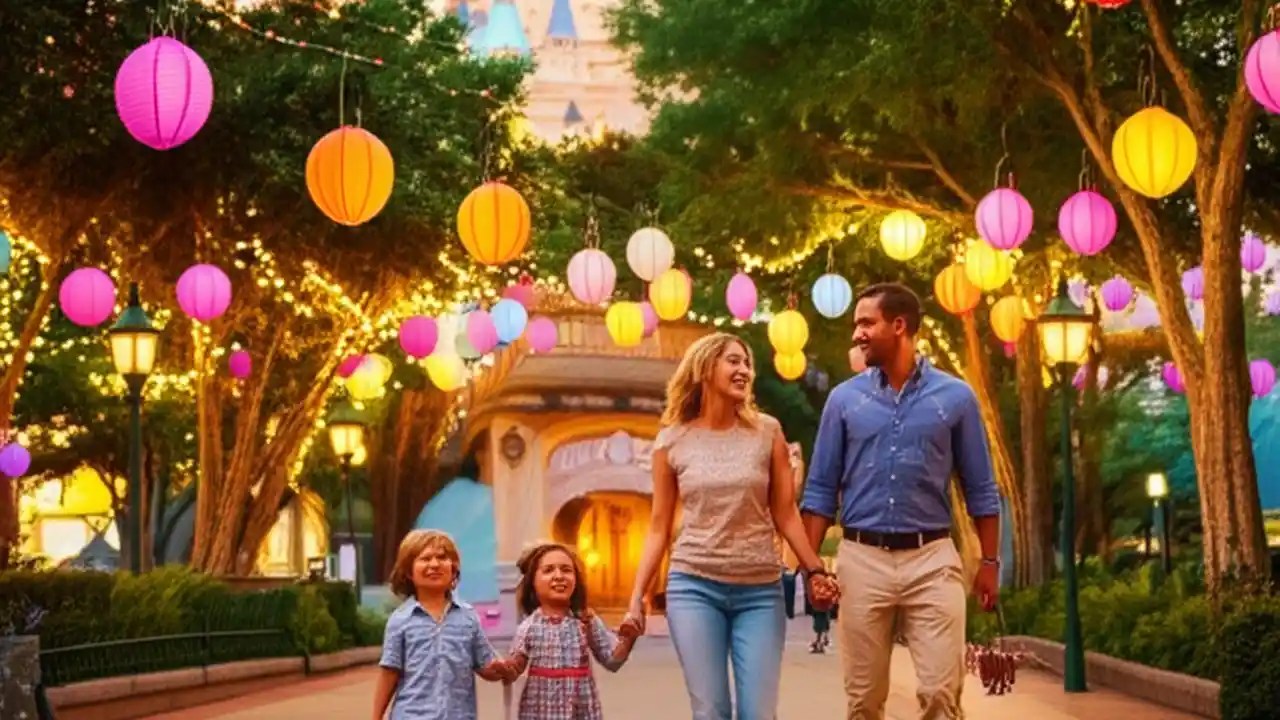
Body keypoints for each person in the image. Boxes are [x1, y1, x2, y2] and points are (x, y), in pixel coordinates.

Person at [800, 283, 1001, 720]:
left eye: (866, 323)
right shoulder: (844, 401)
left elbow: (981, 488)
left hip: (932, 559)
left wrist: (989, 562)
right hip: (861, 559)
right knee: (864, 702)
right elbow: (819, 490)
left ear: (900, 325)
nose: (857, 334)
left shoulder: (956, 399)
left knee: (939, 696)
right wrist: (811, 568)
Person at [624, 332, 839, 720]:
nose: (744, 371)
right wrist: (637, 595)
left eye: (747, 364)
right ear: (705, 368)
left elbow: (786, 513)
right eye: (733, 361)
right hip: (694, 587)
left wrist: (815, 570)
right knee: (711, 712)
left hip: (759, 591)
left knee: (758, 713)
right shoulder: (671, 442)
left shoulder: (767, 432)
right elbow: (659, 527)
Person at [373, 529, 514, 720]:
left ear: (454, 569)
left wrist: (500, 670)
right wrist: (376, 716)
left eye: (442, 557)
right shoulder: (400, 620)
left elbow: (484, 664)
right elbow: (390, 671)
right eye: (425, 558)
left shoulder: (468, 617)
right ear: (408, 572)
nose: (434, 564)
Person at [507, 542, 638, 720]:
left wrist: (628, 639)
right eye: (548, 570)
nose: (559, 576)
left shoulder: (586, 621)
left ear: (576, 580)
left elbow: (612, 661)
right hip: (539, 712)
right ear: (532, 583)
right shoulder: (529, 627)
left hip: (582, 712)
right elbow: (515, 666)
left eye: (566, 570)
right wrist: (504, 668)